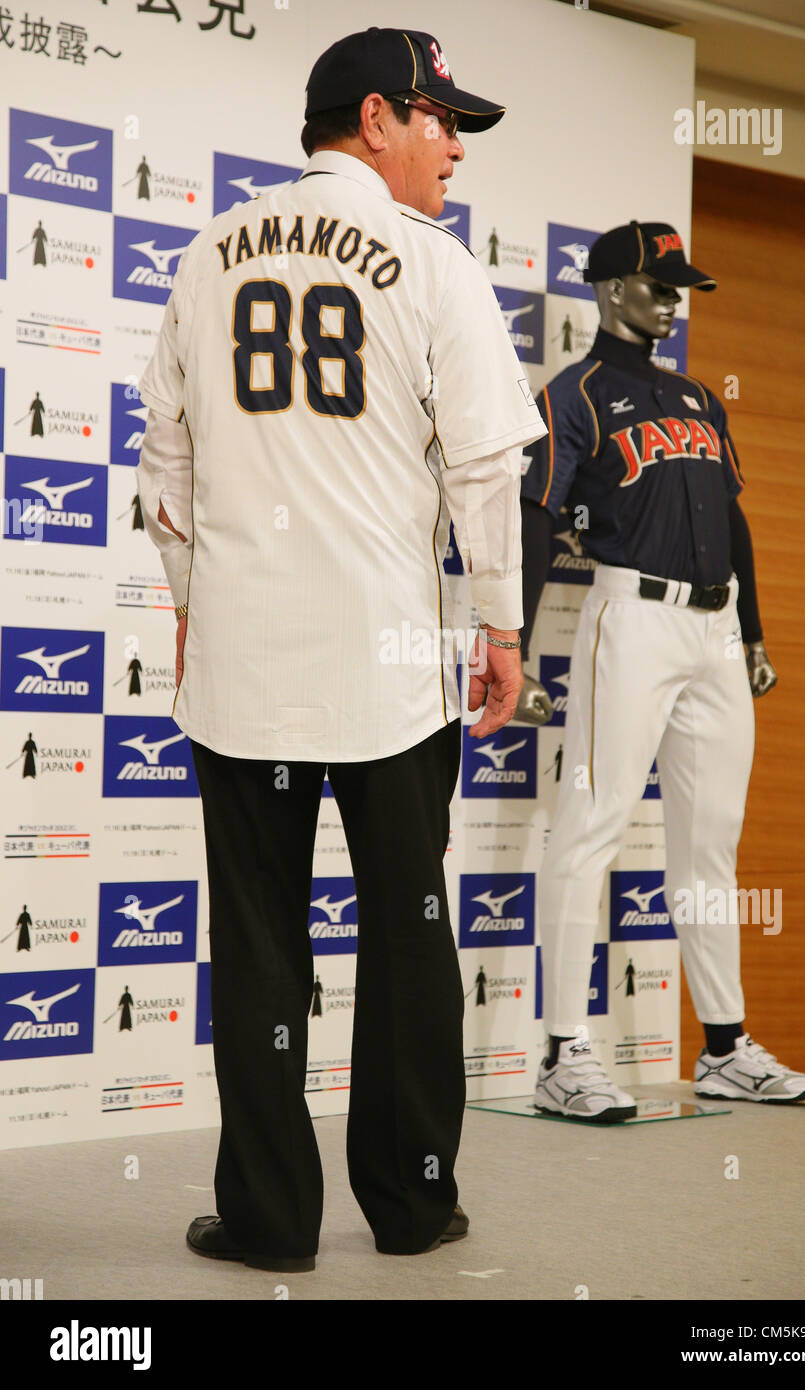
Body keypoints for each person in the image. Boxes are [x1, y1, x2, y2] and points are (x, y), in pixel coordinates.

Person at [136, 26, 545, 1271]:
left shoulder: (205, 255)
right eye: (439, 120)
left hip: (246, 666)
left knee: (260, 944)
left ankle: (269, 1220)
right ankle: (414, 1205)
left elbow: (167, 466)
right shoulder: (430, 263)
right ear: (374, 120)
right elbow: (483, 465)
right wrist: (498, 625)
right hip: (388, 669)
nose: (453, 147)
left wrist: (195, 600)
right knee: (409, 930)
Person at [517, 220, 805, 1121]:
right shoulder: (573, 393)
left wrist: (757, 634)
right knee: (590, 824)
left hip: (715, 628)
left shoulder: (698, 398)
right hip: (633, 614)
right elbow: (540, 517)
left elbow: (733, 522)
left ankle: (724, 1047)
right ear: (612, 289)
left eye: (678, 284)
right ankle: (563, 1054)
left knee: (710, 844)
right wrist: (521, 648)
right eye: (659, 285)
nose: (673, 298)